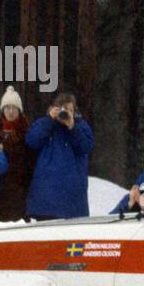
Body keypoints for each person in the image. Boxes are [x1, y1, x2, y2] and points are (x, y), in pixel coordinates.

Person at [24, 92, 94, 220]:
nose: (65, 113)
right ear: (54, 109)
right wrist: (49, 120)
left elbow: (86, 147)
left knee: (71, 238)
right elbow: (31, 141)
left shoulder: (81, 126)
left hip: (72, 197)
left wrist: (72, 127)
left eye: (69, 110)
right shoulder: (44, 123)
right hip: (46, 196)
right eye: (62, 109)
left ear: (75, 111)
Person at [0, 87, 31, 222]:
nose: (11, 111)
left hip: (19, 192)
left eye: (14, 108)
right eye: (7, 107)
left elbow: (31, 164)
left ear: (19, 110)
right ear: (3, 110)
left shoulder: (27, 133)